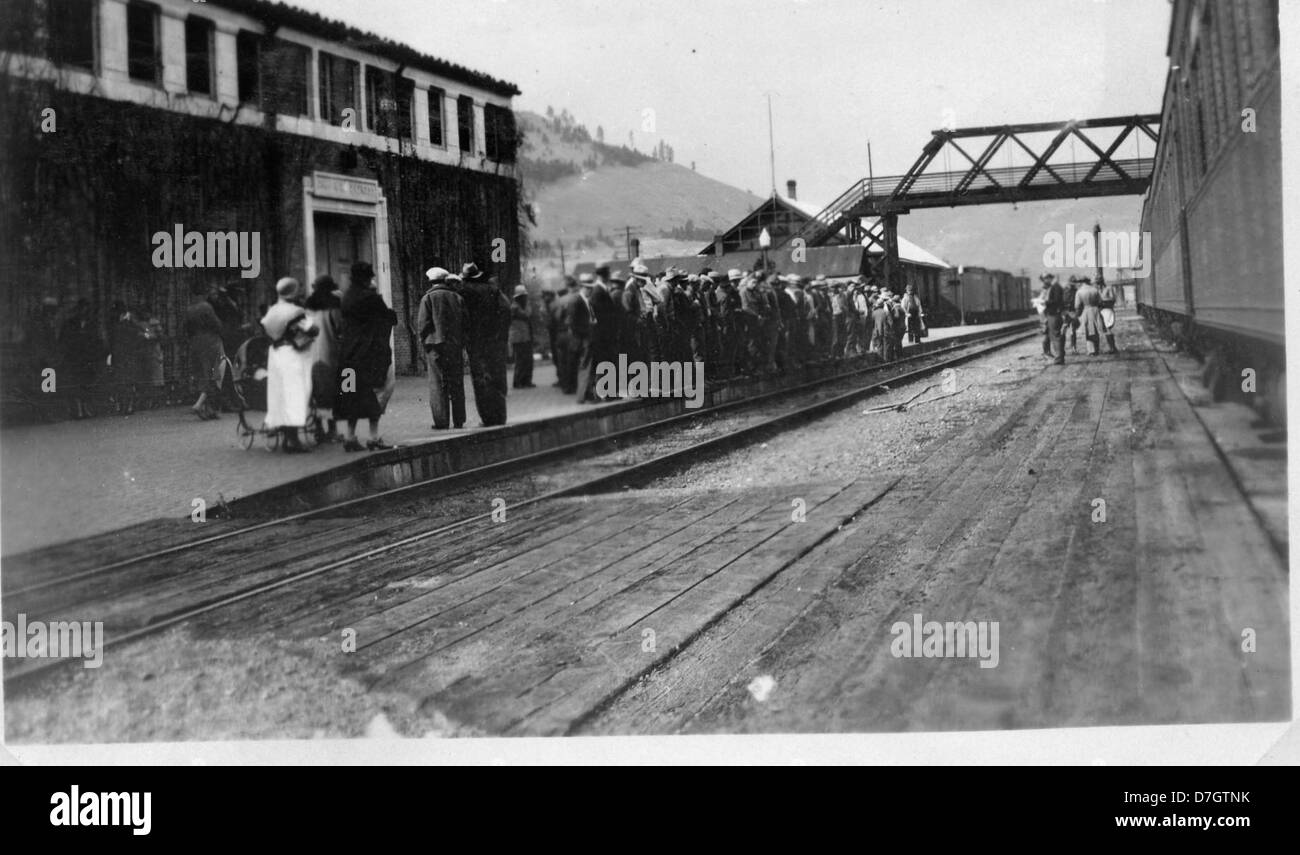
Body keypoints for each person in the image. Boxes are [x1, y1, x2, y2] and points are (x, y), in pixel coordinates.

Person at [336, 261, 397, 451]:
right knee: (379, 392)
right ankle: (373, 437)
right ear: (367, 278)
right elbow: (391, 318)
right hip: (367, 357)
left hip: (347, 356)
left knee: (350, 396)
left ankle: (350, 437)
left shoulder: (346, 297)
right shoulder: (371, 298)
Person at [260, 277, 318, 453]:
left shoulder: (272, 310)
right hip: (294, 355)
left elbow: (266, 328)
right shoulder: (296, 311)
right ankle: (293, 440)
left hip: (276, 354)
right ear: (293, 292)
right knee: (296, 393)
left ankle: (286, 436)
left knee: (281, 394)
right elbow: (313, 329)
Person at [457, 263, 511, 427]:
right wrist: (501, 335)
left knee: (481, 380)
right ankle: (500, 417)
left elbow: (461, 317)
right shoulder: (494, 290)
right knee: (496, 377)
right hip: (494, 341)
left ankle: (487, 418)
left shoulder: (463, 291)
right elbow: (506, 310)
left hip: (476, 342)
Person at [417, 267, 467, 430]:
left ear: (431, 281)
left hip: (435, 347)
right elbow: (466, 323)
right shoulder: (457, 297)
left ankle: (441, 421)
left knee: (438, 384)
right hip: (454, 345)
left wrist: (425, 341)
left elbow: (423, 325)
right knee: (456, 382)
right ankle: (459, 420)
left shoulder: (428, 298)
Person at [304, 274, 343, 442]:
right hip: (330, 354)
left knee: (316, 392)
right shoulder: (333, 306)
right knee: (331, 393)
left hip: (311, 355)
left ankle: (318, 429)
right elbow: (340, 328)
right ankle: (332, 430)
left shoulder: (308, 306)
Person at [182, 287, 225, 420]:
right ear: (203, 294)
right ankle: (200, 404)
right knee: (214, 372)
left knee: (202, 373)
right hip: (210, 341)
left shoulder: (189, 309)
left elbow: (186, 328)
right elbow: (216, 324)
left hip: (195, 342)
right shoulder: (206, 307)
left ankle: (209, 409)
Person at [109, 301, 147, 415]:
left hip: (121, 355)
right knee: (128, 380)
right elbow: (141, 335)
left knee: (122, 380)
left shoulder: (117, 325)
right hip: (128, 355)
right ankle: (128, 405)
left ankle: (123, 405)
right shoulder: (129, 324)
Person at [508, 285, 535, 389]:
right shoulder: (515, 307)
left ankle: (526, 381)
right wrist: (528, 304)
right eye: (523, 296)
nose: (525, 298)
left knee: (527, 360)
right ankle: (518, 381)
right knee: (521, 361)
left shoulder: (519, 306)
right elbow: (527, 314)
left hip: (524, 337)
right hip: (519, 338)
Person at [1074, 276, 1107, 356]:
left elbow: (1077, 305)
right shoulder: (1094, 290)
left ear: (1082, 282)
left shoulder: (1079, 291)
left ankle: (1091, 350)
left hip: (1086, 310)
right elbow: (1101, 302)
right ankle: (1097, 349)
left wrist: (1077, 315)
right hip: (1095, 310)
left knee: (1088, 330)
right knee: (1096, 330)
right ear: (1088, 281)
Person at [1040, 274, 1066, 365]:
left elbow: (1057, 301)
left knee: (1056, 336)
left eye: (1045, 279)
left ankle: (1059, 358)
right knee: (1056, 336)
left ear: (1049, 278)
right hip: (1053, 314)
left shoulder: (1056, 287)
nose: (1045, 281)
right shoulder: (1055, 287)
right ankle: (1059, 357)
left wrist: (1045, 302)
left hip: (1054, 314)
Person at [1098, 278, 1119, 354]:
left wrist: (1102, 300)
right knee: (1105, 329)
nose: (1098, 285)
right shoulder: (1098, 290)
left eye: (1099, 283)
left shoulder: (1108, 288)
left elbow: (1113, 298)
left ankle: (1113, 348)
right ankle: (1112, 348)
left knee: (1108, 328)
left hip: (1108, 309)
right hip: (1102, 311)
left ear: (1102, 282)